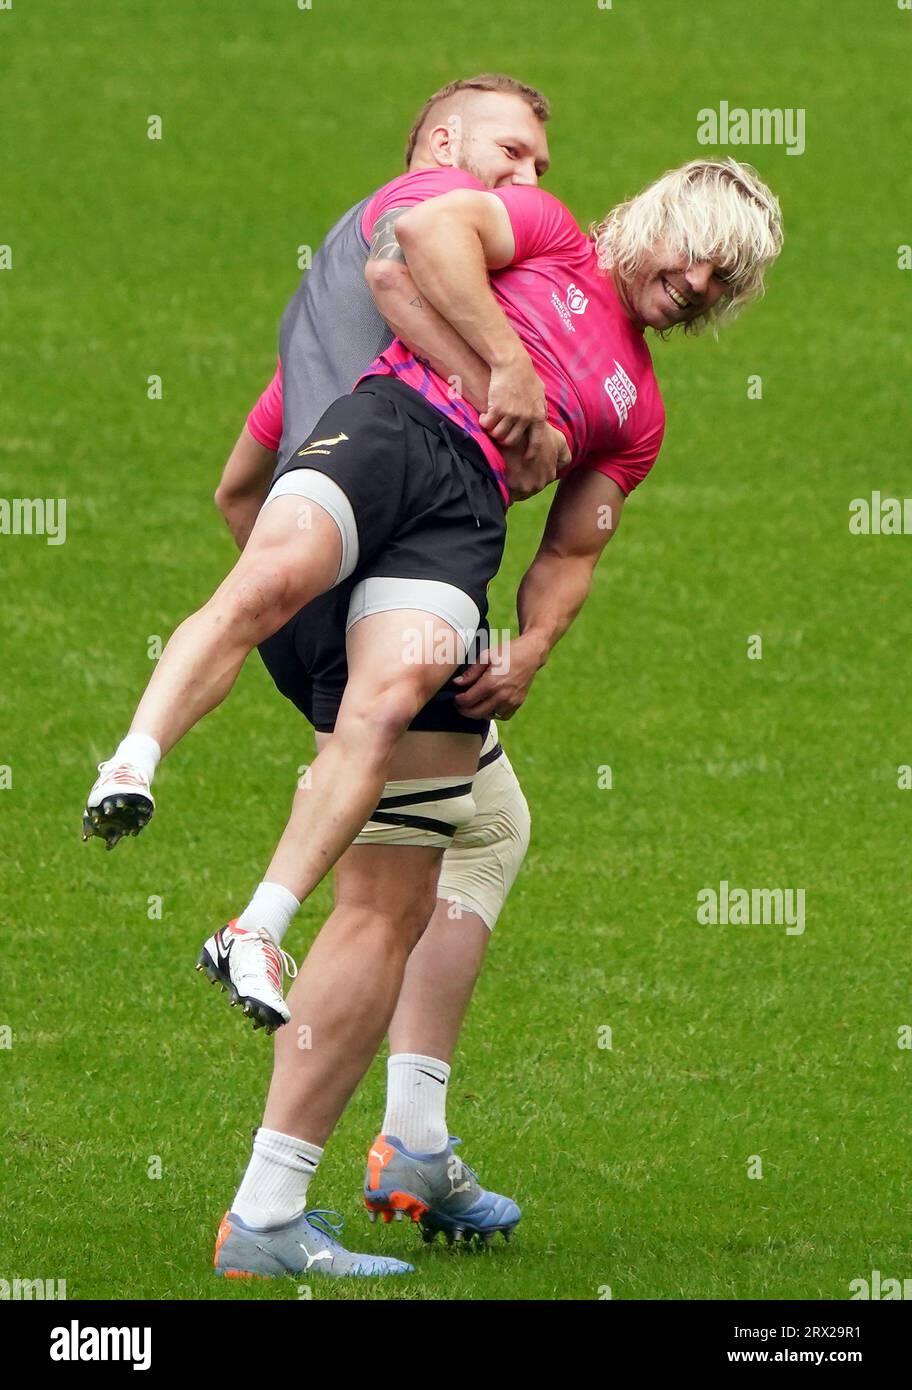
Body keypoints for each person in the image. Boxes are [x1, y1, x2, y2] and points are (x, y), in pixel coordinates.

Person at [86, 154, 783, 1278]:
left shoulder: (626, 402)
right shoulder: (513, 246)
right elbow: (414, 260)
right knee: (385, 889)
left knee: (487, 824)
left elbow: (569, 545)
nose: (702, 281)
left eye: (727, 278)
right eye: (695, 249)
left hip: (431, 560)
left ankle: (408, 1138)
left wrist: (535, 645)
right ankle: (275, 1196)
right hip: (371, 524)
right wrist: (504, 376)